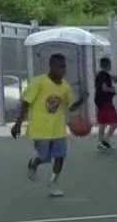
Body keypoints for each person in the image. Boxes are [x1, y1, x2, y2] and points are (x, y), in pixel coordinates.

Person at [11, 53, 82, 198]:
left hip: (58, 129)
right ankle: (34, 163)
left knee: (60, 156)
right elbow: (26, 102)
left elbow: (71, 106)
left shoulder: (65, 87)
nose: (63, 70)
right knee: (44, 157)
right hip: (40, 129)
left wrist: (83, 100)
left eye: (64, 67)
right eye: (59, 67)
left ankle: (54, 183)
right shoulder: (39, 82)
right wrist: (18, 124)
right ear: (51, 67)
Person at [94, 57, 117, 150]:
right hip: (106, 102)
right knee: (115, 121)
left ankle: (100, 141)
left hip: (99, 101)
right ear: (109, 65)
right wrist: (112, 90)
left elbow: (114, 79)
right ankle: (106, 139)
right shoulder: (104, 75)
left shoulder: (100, 75)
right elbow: (104, 87)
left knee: (103, 122)